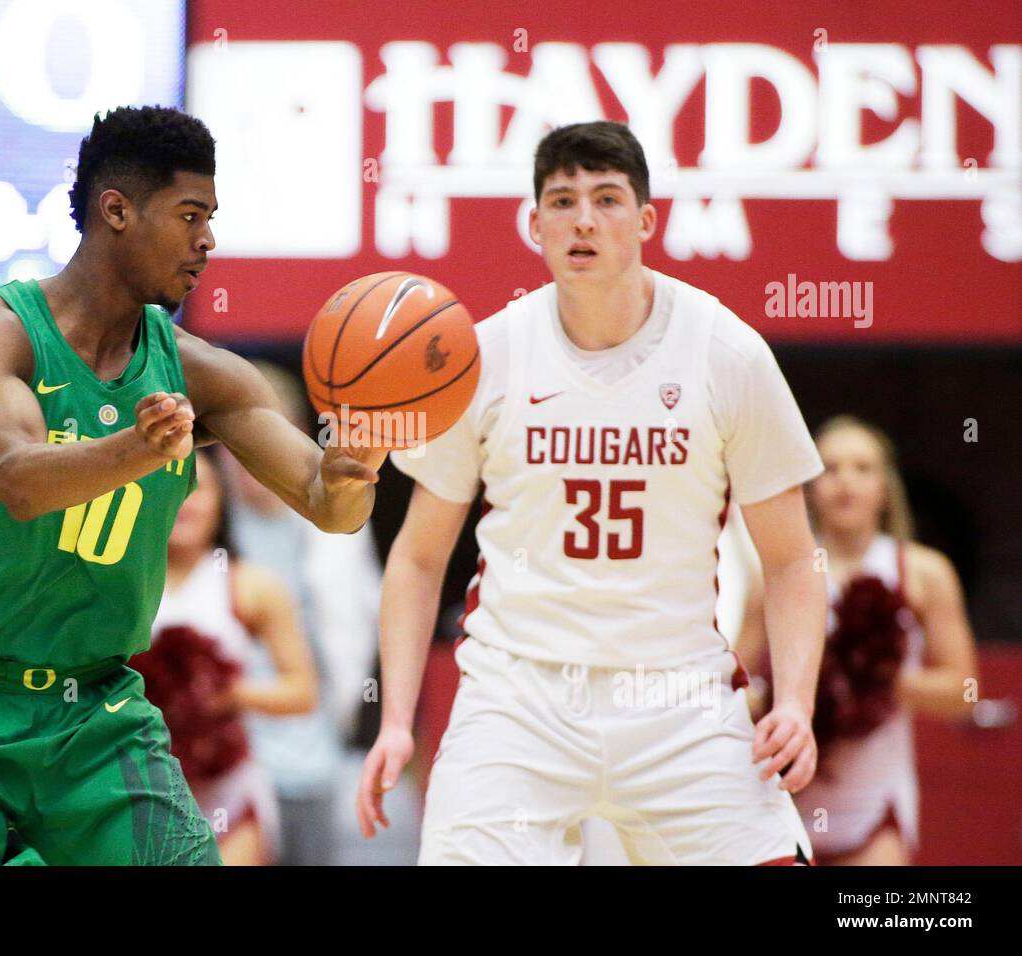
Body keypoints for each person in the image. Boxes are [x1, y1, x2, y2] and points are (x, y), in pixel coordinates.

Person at [0, 105, 385, 866]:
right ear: (116, 210)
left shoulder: (203, 371)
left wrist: (354, 471)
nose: (207, 240)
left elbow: (325, 503)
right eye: (189, 216)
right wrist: (138, 448)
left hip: (98, 713)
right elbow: (17, 480)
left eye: (210, 217)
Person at [357, 121, 827, 866]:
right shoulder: (486, 354)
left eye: (607, 199)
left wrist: (796, 703)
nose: (583, 218)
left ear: (645, 220)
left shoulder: (725, 351)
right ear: (534, 223)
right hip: (518, 698)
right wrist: (397, 721)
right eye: (562, 200)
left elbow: (794, 560)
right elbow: (417, 560)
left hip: (677, 695)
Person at [737, 415, 979, 865]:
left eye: (862, 468)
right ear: (808, 485)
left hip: (874, 803)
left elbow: (964, 693)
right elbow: (738, 682)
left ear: (885, 487)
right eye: (830, 469)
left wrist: (873, 678)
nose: (845, 482)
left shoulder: (924, 571)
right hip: (782, 797)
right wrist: (777, 694)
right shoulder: (771, 571)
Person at [219, 361, 383, 866]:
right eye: (236, 446)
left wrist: (339, 720)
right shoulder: (197, 522)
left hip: (308, 757)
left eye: (266, 443)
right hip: (220, 759)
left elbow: (358, 627)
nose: (250, 461)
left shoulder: (335, 526)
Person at [129, 450, 318, 866]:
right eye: (172, 489)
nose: (186, 501)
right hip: (132, 788)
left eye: (199, 489)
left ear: (221, 501)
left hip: (226, 792)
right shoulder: (116, 586)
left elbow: (303, 692)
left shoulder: (250, 585)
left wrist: (224, 693)